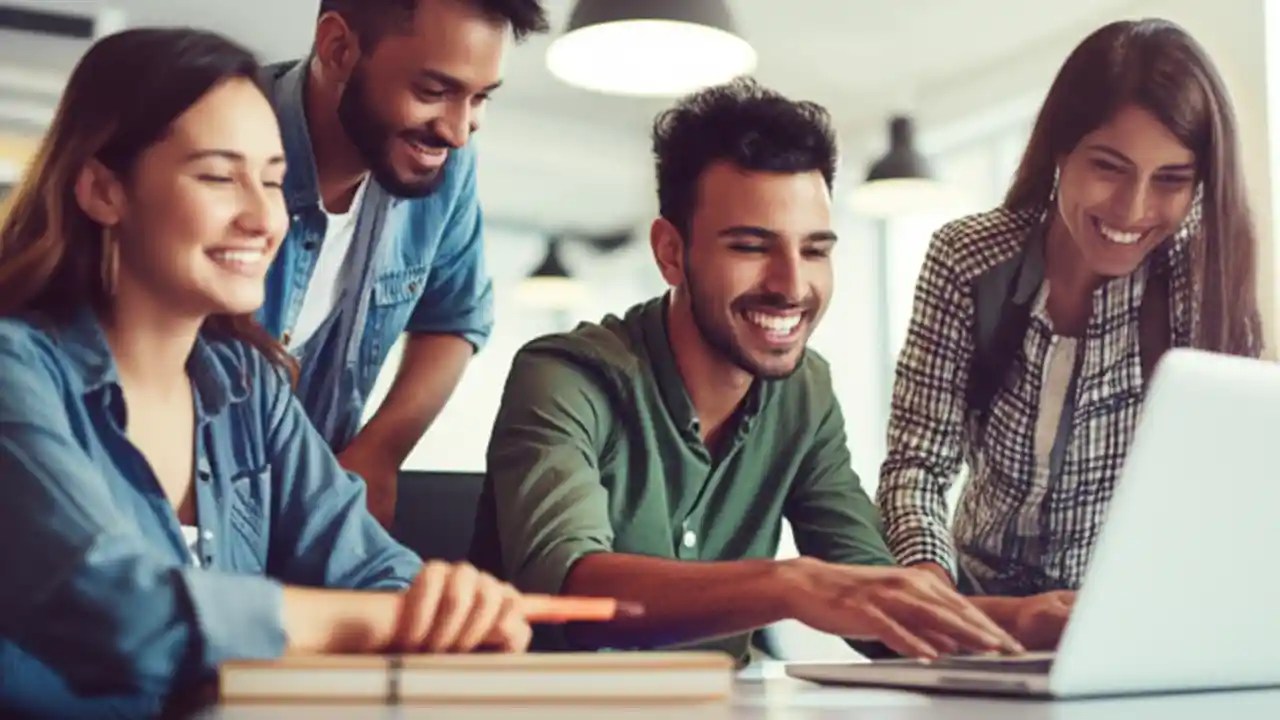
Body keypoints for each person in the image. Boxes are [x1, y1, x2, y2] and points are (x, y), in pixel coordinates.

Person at [0, 29, 528, 718]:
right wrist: (380, 624)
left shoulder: (248, 388)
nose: (262, 217)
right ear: (103, 190)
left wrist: (448, 607)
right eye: (219, 177)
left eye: (274, 180)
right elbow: (121, 613)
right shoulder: (17, 374)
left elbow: (372, 569)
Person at [475, 78, 1071, 663]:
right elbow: (567, 591)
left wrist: (1024, 620)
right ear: (670, 253)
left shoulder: (803, 394)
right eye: (751, 247)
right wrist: (787, 586)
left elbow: (874, 599)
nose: (791, 285)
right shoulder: (564, 378)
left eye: (814, 250)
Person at [878, 19, 1261, 599]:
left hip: (1134, 607)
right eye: (1109, 166)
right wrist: (931, 588)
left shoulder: (1204, 281)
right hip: (979, 607)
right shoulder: (967, 260)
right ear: (1061, 149)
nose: (1133, 209)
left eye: (1171, 180)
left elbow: (1231, 489)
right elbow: (917, 467)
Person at [259, 0, 548, 526]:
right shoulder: (216, 137)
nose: (458, 132)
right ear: (338, 48)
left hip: (314, 517)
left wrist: (382, 451)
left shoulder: (447, 165)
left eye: (479, 98)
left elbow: (454, 318)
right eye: (433, 92)